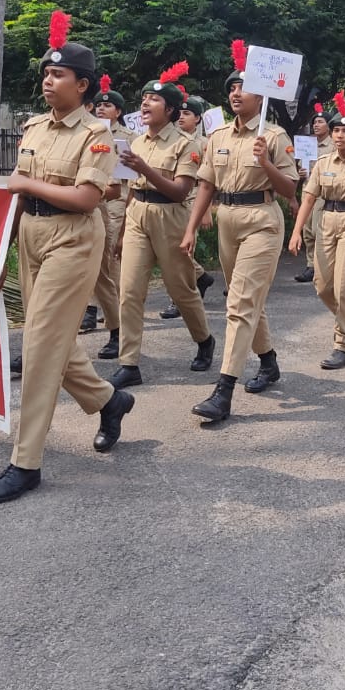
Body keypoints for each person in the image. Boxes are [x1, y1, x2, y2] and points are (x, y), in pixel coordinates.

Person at [0, 14, 134, 504]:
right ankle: (110, 401)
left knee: (42, 343)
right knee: (57, 337)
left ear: (82, 85)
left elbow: (88, 197)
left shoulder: (99, 134)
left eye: (58, 75)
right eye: (45, 73)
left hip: (73, 238)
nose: (48, 80)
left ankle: (25, 462)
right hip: (31, 233)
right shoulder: (33, 129)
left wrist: (24, 184)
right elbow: (18, 198)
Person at [181, 53, 298, 422]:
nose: (236, 93)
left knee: (240, 303)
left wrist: (265, 162)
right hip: (227, 219)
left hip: (262, 219)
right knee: (243, 299)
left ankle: (223, 390)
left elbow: (289, 187)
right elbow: (206, 184)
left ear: (261, 97)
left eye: (244, 88)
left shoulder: (274, 136)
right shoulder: (217, 136)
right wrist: (191, 227)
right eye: (232, 87)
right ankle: (268, 361)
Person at [109, 64, 216, 389]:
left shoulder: (186, 145)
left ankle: (204, 340)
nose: (144, 104)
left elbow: (180, 191)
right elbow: (130, 189)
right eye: (143, 98)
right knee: (129, 293)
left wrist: (146, 169)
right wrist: (123, 230)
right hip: (139, 213)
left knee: (181, 290)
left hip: (170, 217)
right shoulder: (135, 143)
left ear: (169, 110)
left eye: (153, 99)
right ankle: (129, 363)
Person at [288, 93, 345, 368]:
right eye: (336, 130)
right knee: (322, 285)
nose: (339, 136)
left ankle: (342, 343)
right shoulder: (324, 163)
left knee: (343, 287)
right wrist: (295, 233)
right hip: (326, 222)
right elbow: (308, 198)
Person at [85, 79, 136, 358]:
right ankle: (91, 312)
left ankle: (115, 323)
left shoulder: (124, 137)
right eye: (99, 105)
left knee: (108, 266)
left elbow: (125, 179)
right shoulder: (89, 131)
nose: (102, 109)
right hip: (78, 202)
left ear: (118, 111)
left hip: (115, 201)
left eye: (108, 105)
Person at [158, 92, 215, 319]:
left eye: (188, 113)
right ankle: (201, 277)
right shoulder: (171, 139)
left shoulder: (204, 144)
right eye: (179, 113)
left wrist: (207, 210)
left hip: (193, 198)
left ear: (198, 119)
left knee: (182, 249)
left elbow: (208, 181)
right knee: (172, 250)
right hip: (170, 198)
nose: (181, 117)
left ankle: (179, 300)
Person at [295, 103, 333, 283]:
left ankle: (320, 266)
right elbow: (301, 168)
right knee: (307, 230)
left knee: (319, 230)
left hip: (323, 193)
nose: (316, 125)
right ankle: (311, 265)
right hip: (307, 191)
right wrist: (300, 173)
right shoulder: (307, 144)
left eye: (320, 122)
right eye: (315, 122)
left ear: (328, 125)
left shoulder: (333, 145)